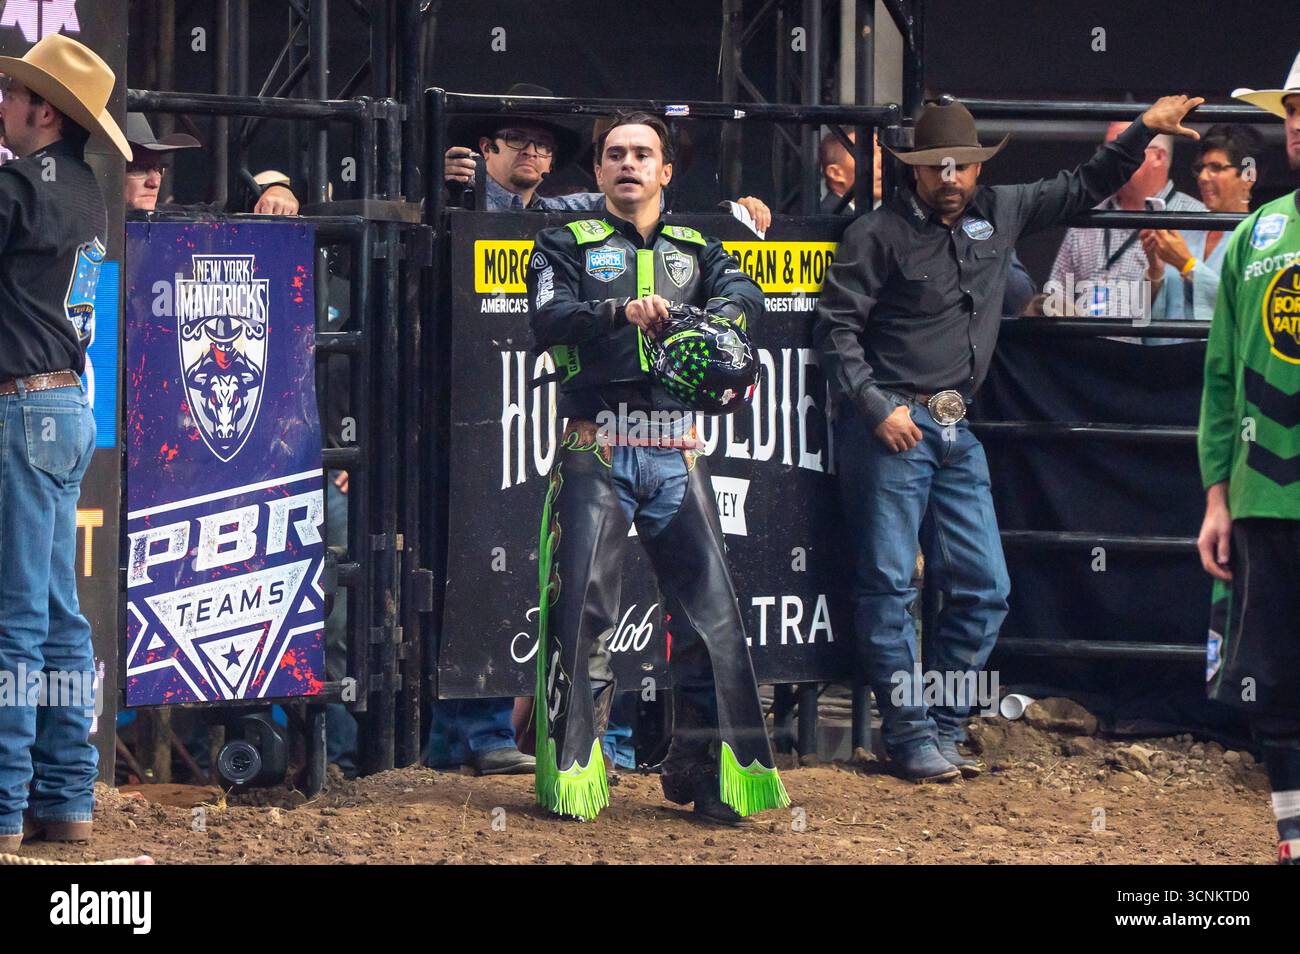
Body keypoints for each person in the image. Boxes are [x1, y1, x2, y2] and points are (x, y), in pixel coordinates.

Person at [812, 94, 1203, 783]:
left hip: (954, 425)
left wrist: (1143, 128)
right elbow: (834, 327)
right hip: (895, 424)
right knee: (890, 586)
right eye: (938, 166)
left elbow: (1085, 182)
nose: (951, 177)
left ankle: (939, 725)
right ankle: (911, 735)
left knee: (984, 587)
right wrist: (875, 408)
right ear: (915, 169)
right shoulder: (877, 233)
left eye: (962, 165)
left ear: (977, 168)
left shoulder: (1001, 210)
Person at [525, 111, 787, 824]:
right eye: (615, 154)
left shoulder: (700, 247)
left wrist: (714, 317)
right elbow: (548, 320)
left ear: (666, 171)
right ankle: (577, 777)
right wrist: (619, 313)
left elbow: (747, 295)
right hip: (596, 446)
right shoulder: (562, 242)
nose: (628, 164)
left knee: (711, 617)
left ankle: (708, 774)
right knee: (584, 612)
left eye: (643, 154)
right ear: (598, 170)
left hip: (677, 448)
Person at [0, 34, 130, 852]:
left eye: (14, 95)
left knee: (18, 616)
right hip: (65, 406)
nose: (4, 106)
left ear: (45, 112)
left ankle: (4, 805)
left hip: (22, 406)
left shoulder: (18, 187)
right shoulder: (86, 191)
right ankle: (65, 797)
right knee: (56, 617)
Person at [1197, 50, 1300, 865]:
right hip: (1266, 494)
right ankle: (1293, 839)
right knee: (1277, 683)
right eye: (1292, 112)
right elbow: (1223, 374)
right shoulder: (1256, 235)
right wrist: (1216, 496)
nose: (1298, 126)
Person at [444, 83, 772, 231]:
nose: (531, 150)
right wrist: (444, 188)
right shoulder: (459, 198)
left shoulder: (562, 211)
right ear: (485, 147)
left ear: (551, 161)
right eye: (516, 138)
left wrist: (735, 214)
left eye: (543, 144)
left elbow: (637, 202)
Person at [1049, 120, 1205, 330]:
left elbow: (1210, 303)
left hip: (1157, 347)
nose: (1108, 160)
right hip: (1084, 346)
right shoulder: (1087, 216)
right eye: (1107, 151)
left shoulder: (1197, 219)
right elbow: (1055, 295)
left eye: (1124, 149)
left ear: (1158, 157)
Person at [1143, 124, 1264, 321]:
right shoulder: (1183, 230)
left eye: (1216, 167)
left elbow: (1252, 310)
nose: (1203, 177)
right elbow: (1137, 318)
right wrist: (1154, 272)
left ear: (1248, 176)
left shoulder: (1261, 240)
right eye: (1201, 168)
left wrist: (1187, 265)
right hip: (1162, 342)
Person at [124, 112, 300, 215]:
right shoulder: (104, 229)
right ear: (110, 170)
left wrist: (277, 189)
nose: (154, 182)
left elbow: (231, 208)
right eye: (139, 168)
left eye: (158, 168)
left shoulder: (169, 219)